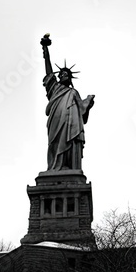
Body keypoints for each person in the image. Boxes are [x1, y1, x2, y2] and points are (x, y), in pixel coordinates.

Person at [40, 35, 94, 171]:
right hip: (55, 122)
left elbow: (81, 110)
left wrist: (88, 103)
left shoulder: (73, 92)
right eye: (61, 74)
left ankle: (67, 166)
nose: (63, 75)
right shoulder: (54, 89)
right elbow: (48, 72)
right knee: (54, 143)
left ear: (70, 78)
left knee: (69, 141)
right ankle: (54, 167)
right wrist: (45, 50)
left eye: (66, 74)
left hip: (71, 123)